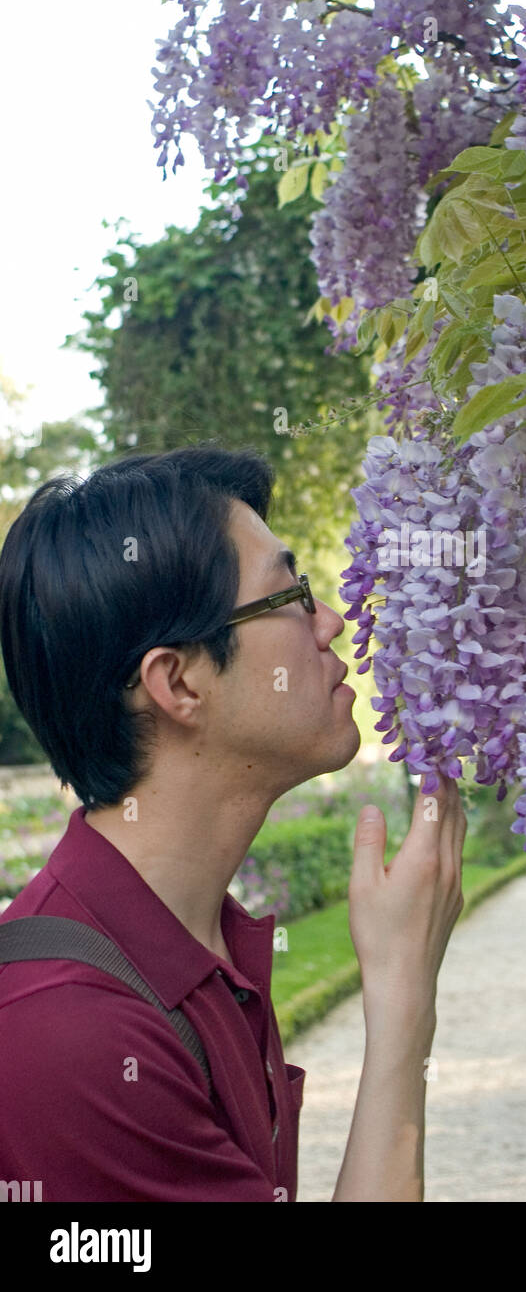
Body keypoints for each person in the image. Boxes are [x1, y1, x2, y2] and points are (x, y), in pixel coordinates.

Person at [0, 444, 466, 1202]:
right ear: (179, 682)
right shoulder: (71, 1035)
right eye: (292, 597)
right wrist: (403, 993)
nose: (333, 622)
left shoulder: (204, 951)